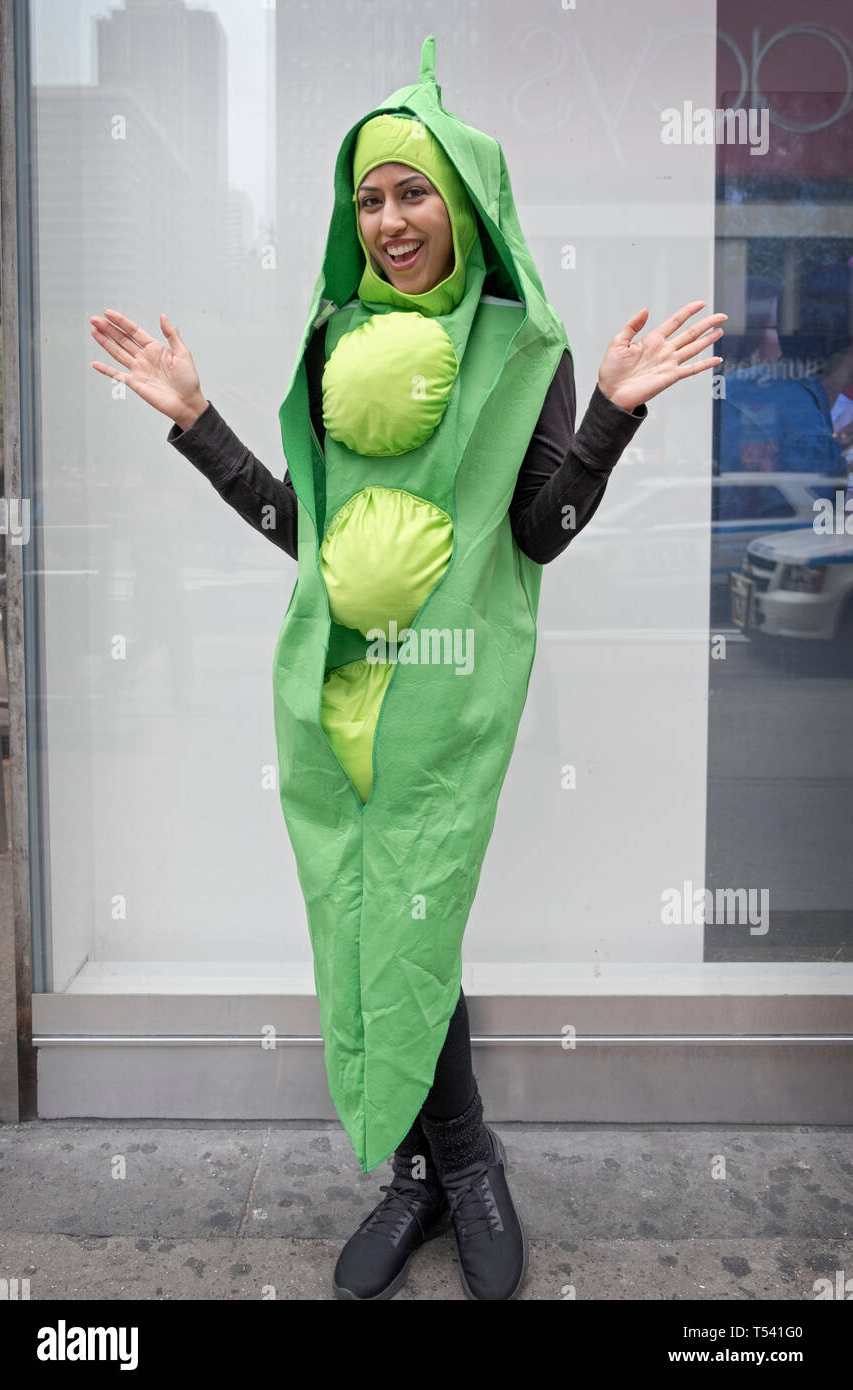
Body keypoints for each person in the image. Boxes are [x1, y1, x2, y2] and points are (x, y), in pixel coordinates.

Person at [89, 36, 724, 1301]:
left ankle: (461, 1164)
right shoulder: (332, 342)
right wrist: (197, 423)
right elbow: (303, 536)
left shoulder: (518, 348)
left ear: (464, 199)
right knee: (374, 921)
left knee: (417, 919)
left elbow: (537, 534)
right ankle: (429, 1175)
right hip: (333, 695)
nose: (387, 218)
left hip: (452, 693)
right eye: (368, 196)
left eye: (412, 190)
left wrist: (608, 412)